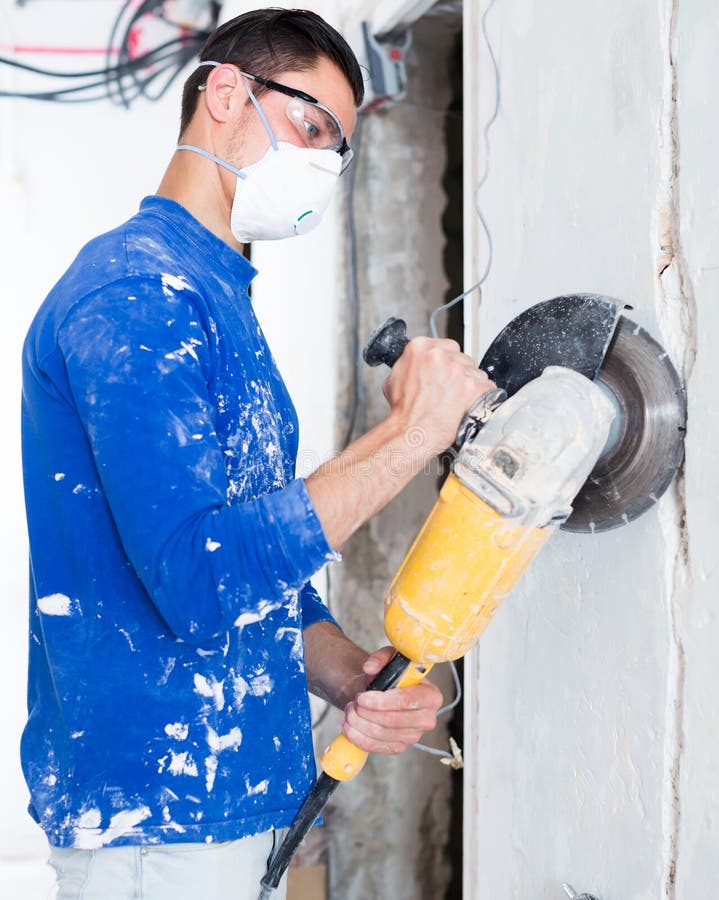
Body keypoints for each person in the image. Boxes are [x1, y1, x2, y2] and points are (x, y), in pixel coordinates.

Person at [20, 8, 495, 899]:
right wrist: (407, 436)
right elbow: (200, 580)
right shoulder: (137, 294)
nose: (322, 164)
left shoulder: (215, 297)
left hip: (230, 807)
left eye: (338, 150)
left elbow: (255, 584)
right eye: (311, 126)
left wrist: (345, 671)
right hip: (156, 816)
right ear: (226, 93)